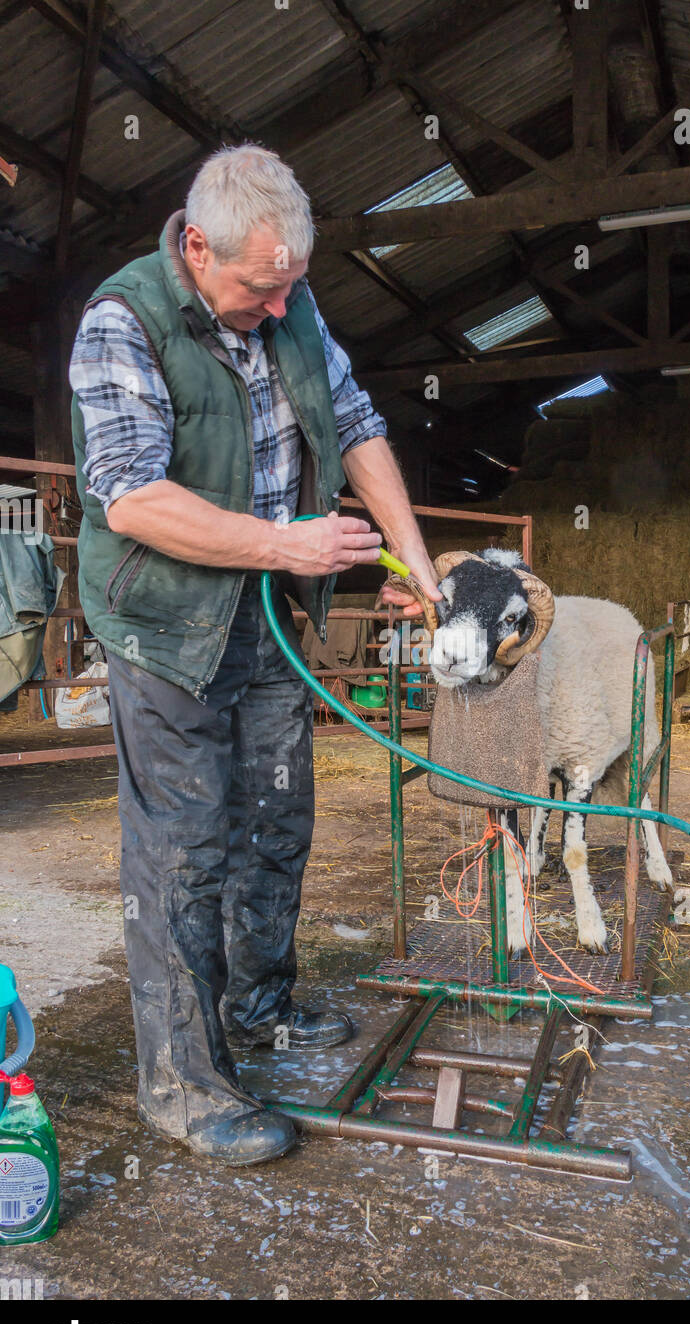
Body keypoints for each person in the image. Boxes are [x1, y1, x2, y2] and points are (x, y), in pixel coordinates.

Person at [69, 144, 441, 1166]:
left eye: (291, 286)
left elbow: (355, 421)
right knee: (184, 844)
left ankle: (263, 1005)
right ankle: (183, 1084)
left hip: (267, 614)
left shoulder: (293, 307)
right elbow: (132, 496)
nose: (279, 309)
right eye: (259, 287)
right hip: (168, 624)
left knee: (277, 814)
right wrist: (286, 543)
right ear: (198, 247)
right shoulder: (124, 321)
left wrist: (414, 560)